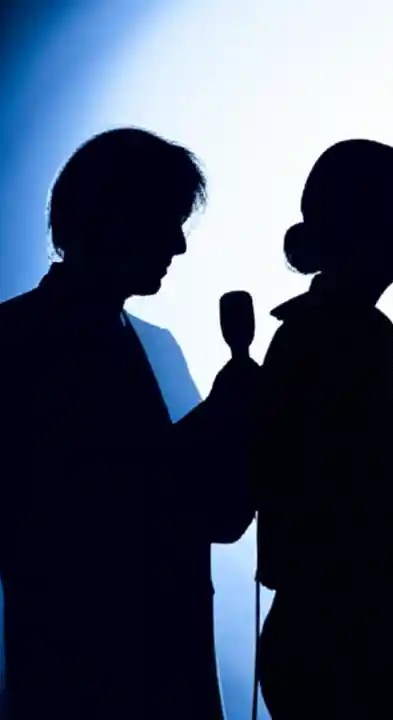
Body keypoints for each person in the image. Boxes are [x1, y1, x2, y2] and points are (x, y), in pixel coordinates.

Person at [0, 127, 258, 719]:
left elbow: (217, 515)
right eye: (167, 221)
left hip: (171, 676)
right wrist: (217, 422)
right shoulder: (12, 346)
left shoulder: (158, 347)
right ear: (112, 220)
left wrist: (238, 427)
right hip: (77, 680)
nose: (180, 246)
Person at [251, 139, 393, 720]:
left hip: (325, 619)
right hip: (340, 625)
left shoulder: (325, 326)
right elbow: (327, 487)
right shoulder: (354, 332)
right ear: (368, 220)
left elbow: (328, 464)